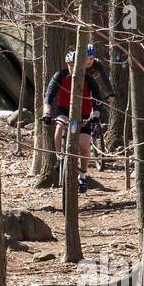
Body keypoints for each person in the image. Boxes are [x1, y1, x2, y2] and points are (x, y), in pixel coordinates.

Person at [43, 47, 111, 191]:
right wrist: (47, 114)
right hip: (65, 110)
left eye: (75, 65)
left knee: (85, 146)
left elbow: (97, 103)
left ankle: (82, 176)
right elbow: (48, 97)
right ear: (67, 64)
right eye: (70, 65)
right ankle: (59, 158)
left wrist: (95, 117)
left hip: (84, 114)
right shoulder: (59, 76)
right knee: (59, 126)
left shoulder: (89, 80)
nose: (73, 68)